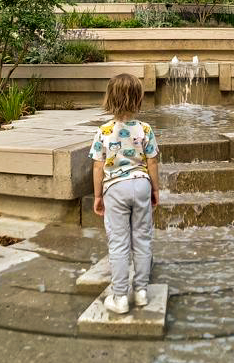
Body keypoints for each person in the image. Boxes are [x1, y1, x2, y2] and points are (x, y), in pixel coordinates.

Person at [90, 73, 160, 315]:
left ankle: (120, 296)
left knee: (118, 243)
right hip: (141, 184)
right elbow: (152, 163)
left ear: (110, 99)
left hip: (114, 188)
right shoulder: (145, 129)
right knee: (142, 238)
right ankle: (141, 291)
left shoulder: (103, 131)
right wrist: (155, 189)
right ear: (138, 99)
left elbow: (98, 166)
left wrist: (98, 196)